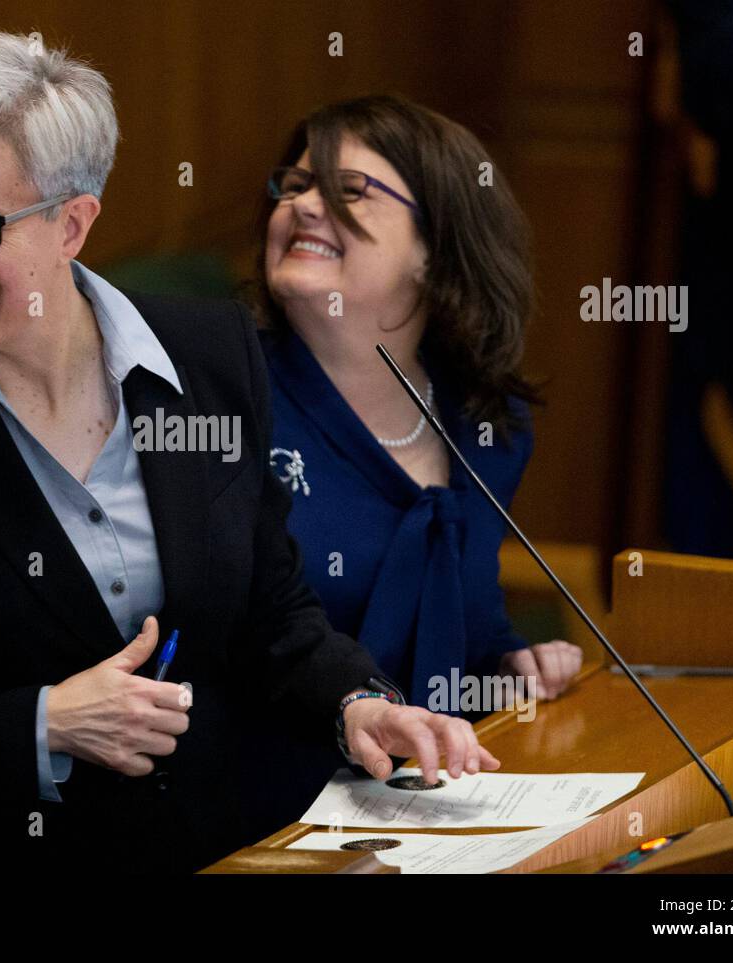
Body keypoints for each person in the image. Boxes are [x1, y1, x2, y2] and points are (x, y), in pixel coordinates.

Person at [0, 32, 499, 874]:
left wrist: (356, 701)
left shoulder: (212, 355)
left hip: (239, 848)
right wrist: (42, 723)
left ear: (72, 224)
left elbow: (273, 606)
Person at [242, 95, 583, 825]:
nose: (304, 206)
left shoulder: (488, 425)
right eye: (295, 185)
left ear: (435, 250)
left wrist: (509, 663)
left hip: (423, 810)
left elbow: (462, 614)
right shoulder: (225, 393)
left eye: (348, 192)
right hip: (257, 814)